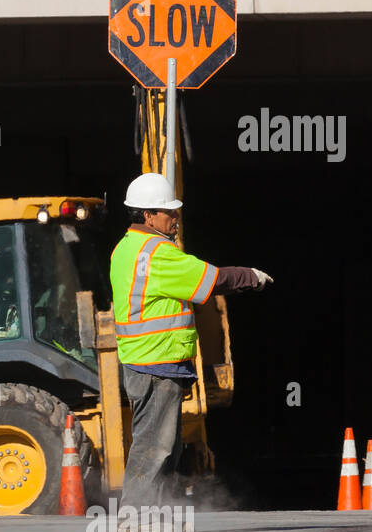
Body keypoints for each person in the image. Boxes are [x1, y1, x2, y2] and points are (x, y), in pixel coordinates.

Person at [109, 173, 271, 506]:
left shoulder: (125, 249)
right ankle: (133, 517)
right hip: (156, 363)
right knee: (155, 447)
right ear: (148, 215)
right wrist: (250, 277)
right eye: (169, 212)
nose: (176, 218)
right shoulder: (156, 253)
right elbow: (211, 280)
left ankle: (150, 514)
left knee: (164, 447)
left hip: (144, 363)